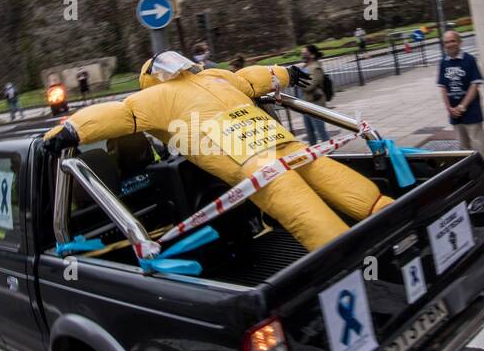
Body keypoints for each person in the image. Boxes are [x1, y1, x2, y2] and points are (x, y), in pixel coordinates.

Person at [42, 51, 392, 252]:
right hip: (280, 139)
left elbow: (117, 115)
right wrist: (285, 72)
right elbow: (254, 77)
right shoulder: (217, 77)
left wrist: (71, 130)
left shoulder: (152, 98)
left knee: (296, 205)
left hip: (250, 160)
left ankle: (345, 253)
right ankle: (386, 213)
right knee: (327, 174)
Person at [438, 30, 484, 155]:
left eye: (453, 41)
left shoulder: (469, 60)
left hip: (472, 112)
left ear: (459, 42)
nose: (450, 44)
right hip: (455, 115)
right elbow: (443, 87)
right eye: (446, 42)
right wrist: (449, 108)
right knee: (463, 150)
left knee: (478, 148)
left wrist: (462, 107)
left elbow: (474, 85)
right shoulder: (443, 62)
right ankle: (469, 174)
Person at [298, 44, 329, 144]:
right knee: (309, 131)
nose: (302, 55)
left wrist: (297, 81)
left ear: (312, 55)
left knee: (320, 130)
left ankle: (329, 151)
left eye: (305, 53)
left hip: (316, 103)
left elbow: (309, 86)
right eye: (302, 53)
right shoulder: (304, 67)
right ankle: (313, 150)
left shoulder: (316, 68)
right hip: (305, 103)